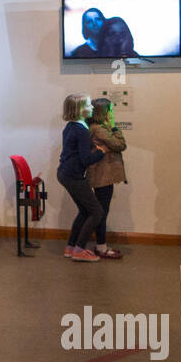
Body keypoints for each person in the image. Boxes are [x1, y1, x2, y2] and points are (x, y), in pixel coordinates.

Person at [57, 93, 106, 262]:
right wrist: (100, 152)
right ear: (79, 110)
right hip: (74, 176)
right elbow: (86, 160)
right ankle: (79, 250)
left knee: (85, 211)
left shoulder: (71, 126)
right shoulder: (81, 130)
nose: (92, 107)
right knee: (97, 212)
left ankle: (71, 247)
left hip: (65, 173)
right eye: (88, 105)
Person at [86, 97, 127, 259]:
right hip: (102, 176)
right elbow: (120, 145)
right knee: (101, 212)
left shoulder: (99, 128)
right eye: (110, 110)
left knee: (102, 210)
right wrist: (116, 128)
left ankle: (100, 245)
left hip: (104, 175)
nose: (112, 113)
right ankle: (101, 247)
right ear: (103, 112)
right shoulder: (99, 129)